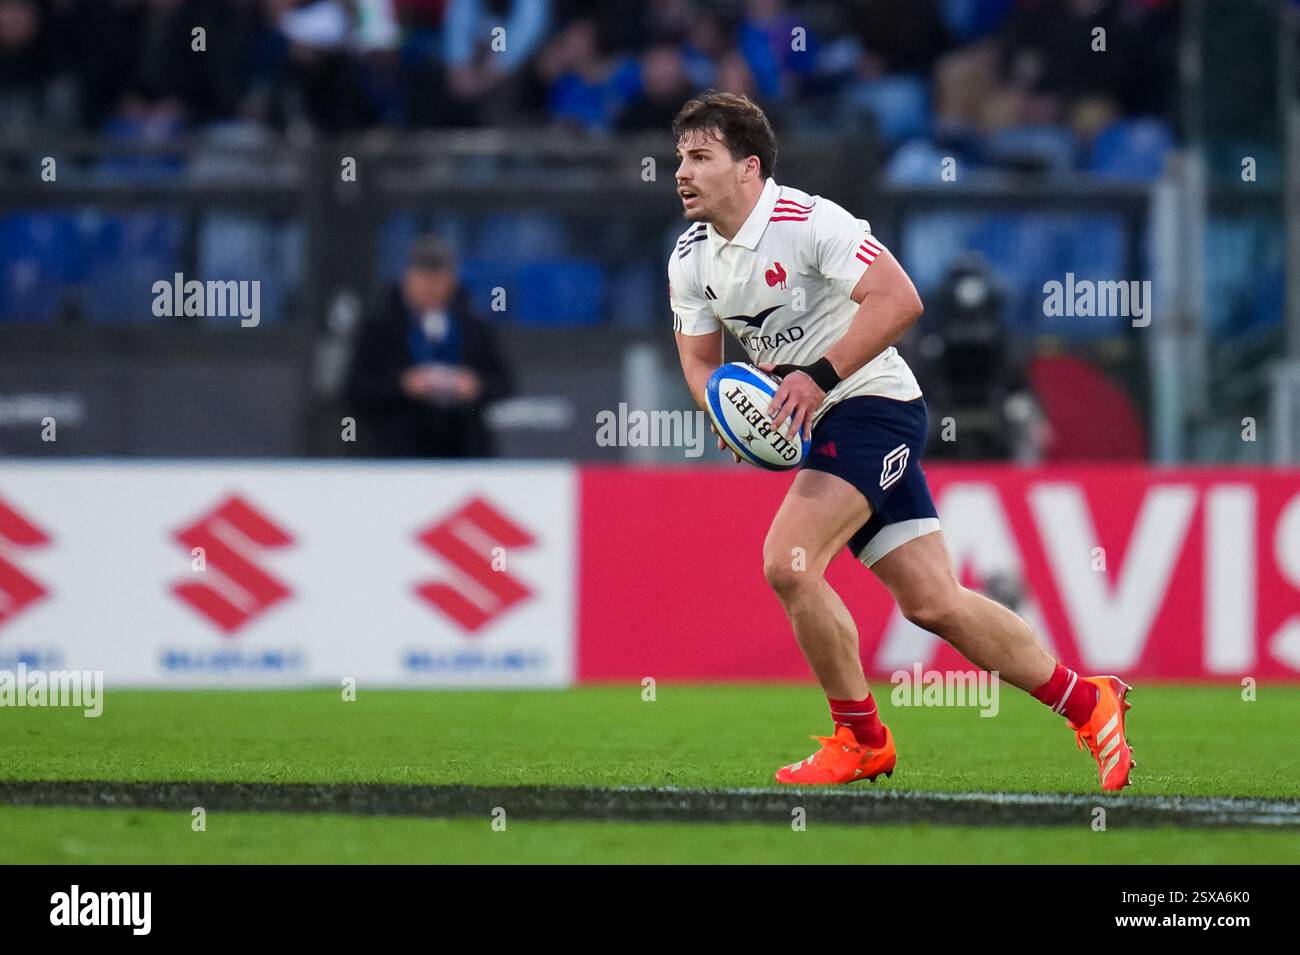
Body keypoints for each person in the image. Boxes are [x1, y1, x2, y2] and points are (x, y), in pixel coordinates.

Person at [667, 91, 1134, 790]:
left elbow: (901, 299)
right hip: (819, 420)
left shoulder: (809, 221)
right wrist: (730, 409)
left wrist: (815, 378)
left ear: (748, 169)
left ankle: (862, 740)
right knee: (933, 601)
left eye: (700, 156)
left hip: (874, 405)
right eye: (679, 157)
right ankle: (1087, 700)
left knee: (789, 561)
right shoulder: (690, 256)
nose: (681, 171)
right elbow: (701, 364)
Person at [346, 236, 512, 458]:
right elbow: (355, 388)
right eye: (424, 280)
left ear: (451, 282)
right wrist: (402, 384)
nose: (431, 289)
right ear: (408, 279)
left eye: (438, 280)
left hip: (464, 450)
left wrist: (474, 385)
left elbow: (504, 382)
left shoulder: (473, 326)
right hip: (400, 453)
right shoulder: (379, 327)